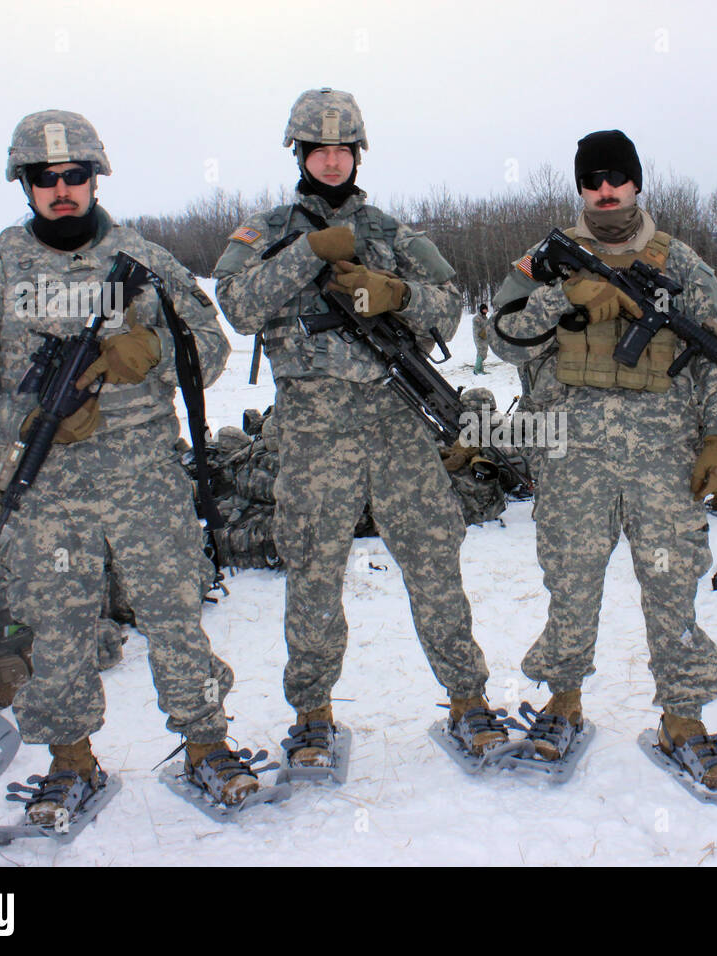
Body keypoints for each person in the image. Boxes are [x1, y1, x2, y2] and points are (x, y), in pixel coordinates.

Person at [0, 110, 260, 821]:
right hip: (49, 490)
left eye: (75, 175)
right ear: (26, 185)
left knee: (174, 616)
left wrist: (149, 353)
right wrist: (24, 420)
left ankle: (206, 744)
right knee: (60, 627)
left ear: (95, 178)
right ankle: (71, 760)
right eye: (45, 179)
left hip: (145, 478)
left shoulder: (149, 263)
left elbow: (213, 350)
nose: (63, 190)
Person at [211, 89, 506, 763]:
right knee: (313, 572)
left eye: (344, 150)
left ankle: (469, 698)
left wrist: (395, 293)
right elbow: (237, 307)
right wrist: (307, 253)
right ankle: (312, 714)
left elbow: (450, 306)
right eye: (321, 150)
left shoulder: (394, 233)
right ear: (302, 154)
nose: (334, 161)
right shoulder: (265, 231)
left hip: (398, 426)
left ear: (358, 155)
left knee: (435, 563)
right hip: (315, 436)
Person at [490, 130, 717, 788]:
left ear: (637, 183)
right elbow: (504, 337)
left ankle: (682, 719)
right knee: (570, 584)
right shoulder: (546, 261)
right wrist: (565, 296)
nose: (606, 192)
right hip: (572, 454)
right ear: (581, 189)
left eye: (618, 179)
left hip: (663, 457)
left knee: (672, 588)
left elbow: (716, 354)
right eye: (593, 181)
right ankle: (563, 702)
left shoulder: (680, 261)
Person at [472, 303, 492, 374]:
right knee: (481, 353)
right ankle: (476, 369)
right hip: (479, 338)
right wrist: (484, 332)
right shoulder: (476, 318)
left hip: (484, 337)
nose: (485, 310)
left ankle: (480, 369)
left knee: (483, 353)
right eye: (484, 309)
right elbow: (477, 330)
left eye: (486, 309)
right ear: (481, 310)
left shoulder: (485, 318)